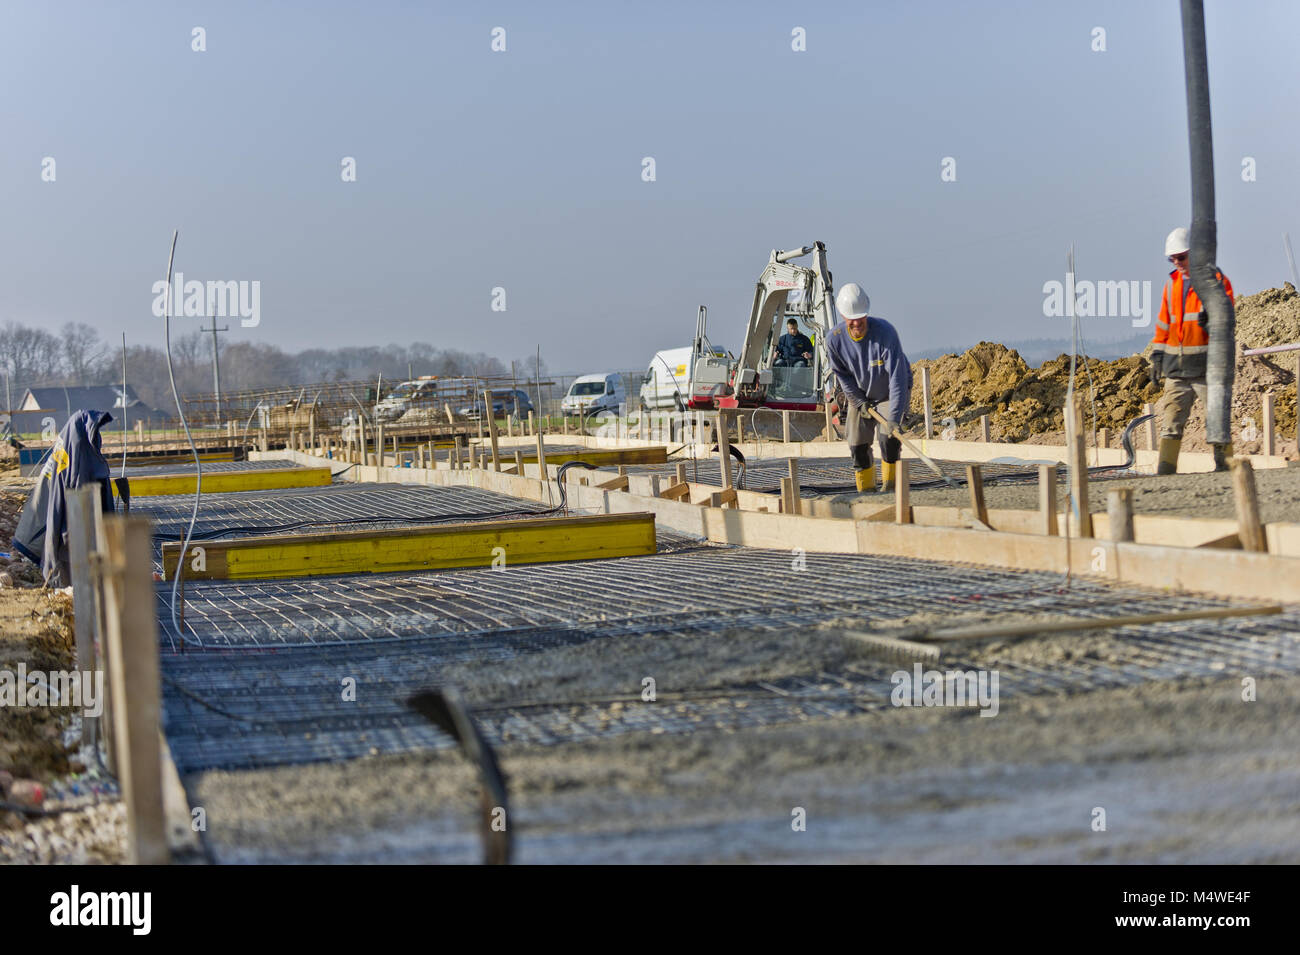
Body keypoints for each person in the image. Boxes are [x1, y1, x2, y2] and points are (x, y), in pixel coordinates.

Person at [1150, 226, 1235, 474]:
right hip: (1177, 370)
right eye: (1172, 258)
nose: (1177, 262)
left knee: (1217, 421)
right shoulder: (1171, 285)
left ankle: (1226, 470)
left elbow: (1228, 320)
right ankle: (1165, 472)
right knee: (1170, 423)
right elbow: (1164, 323)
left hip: (1209, 369)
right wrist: (1157, 354)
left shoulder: (1217, 282)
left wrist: (1213, 320)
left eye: (1181, 257)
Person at [825, 283, 913, 493]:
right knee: (856, 443)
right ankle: (867, 493)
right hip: (861, 394)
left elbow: (897, 379)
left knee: (888, 438)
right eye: (851, 318)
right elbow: (843, 377)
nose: (856, 322)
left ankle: (892, 490)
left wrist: (893, 417)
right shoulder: (834, 341)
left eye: (861, 316)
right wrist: (858, 401)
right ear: (842, 315)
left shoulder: (885, 333)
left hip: (888, 392)